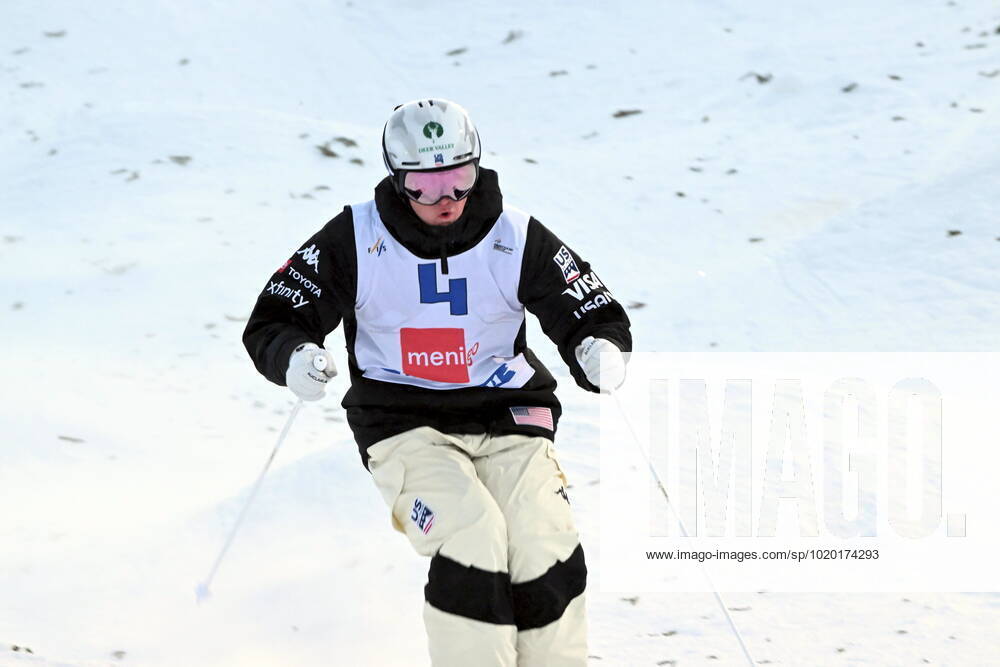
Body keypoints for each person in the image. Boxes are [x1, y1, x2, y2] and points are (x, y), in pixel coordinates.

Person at [243, 98, 632, 666]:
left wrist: (598, 347)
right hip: (403, 423)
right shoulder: (356, 237)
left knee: (542, 540)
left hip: (509, 416)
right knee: (472, 536)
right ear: (397, 180)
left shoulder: (514, 235)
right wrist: (293, 357)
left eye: (459, 177)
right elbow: (276, 318)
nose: (445, 198)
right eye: (424, 185)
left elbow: (589, 309)